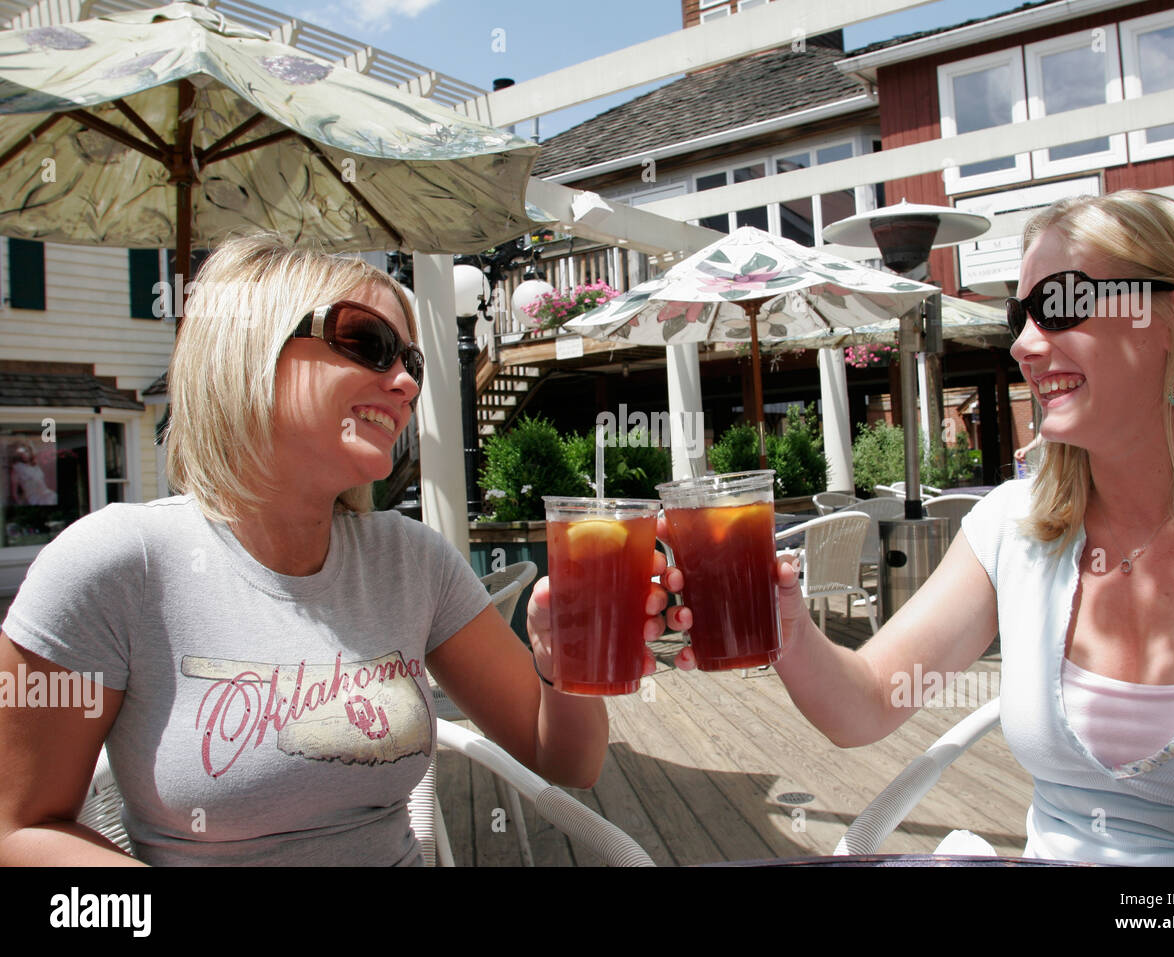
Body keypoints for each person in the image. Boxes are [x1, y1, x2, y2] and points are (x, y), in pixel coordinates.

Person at [0, 235, 681, 866]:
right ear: (249, 345)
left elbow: (568, 760)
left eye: (410, 361)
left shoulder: (411, 561)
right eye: (370, 342)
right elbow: (19, 830)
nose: (407, 382)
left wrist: (566, 666)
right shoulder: (117, 564)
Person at [673, 190, 1174, 865]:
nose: (1026, 343)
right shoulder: (1016, 527)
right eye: (1019, 315)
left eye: (1061, 304)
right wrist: (787, 625)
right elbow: (867, 703)